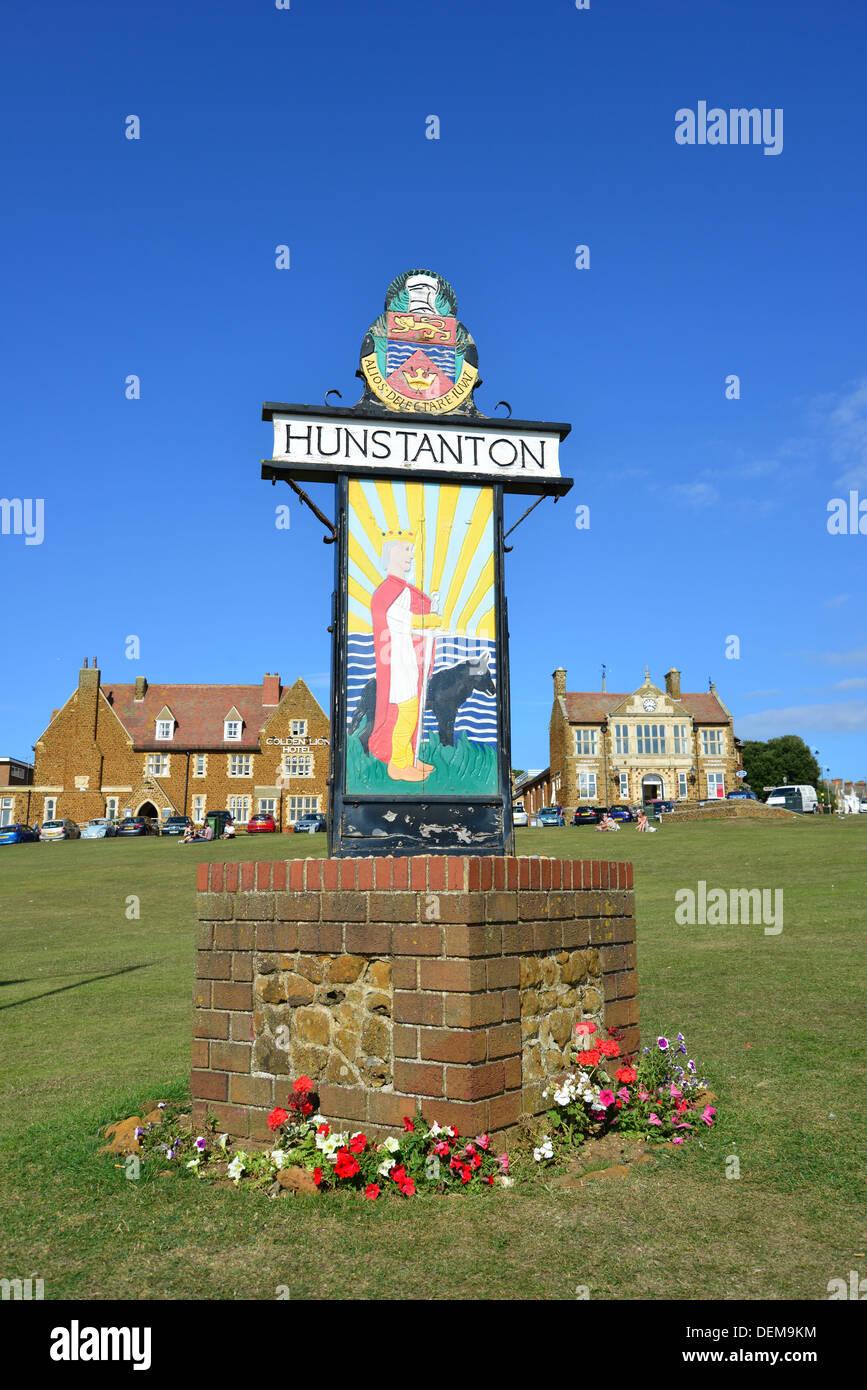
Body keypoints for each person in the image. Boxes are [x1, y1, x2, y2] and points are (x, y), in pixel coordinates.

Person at [367, 530, 442, 782]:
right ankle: (398, 764)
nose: (411, 555)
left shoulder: (402, 589)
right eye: (405, 549)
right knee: (405, 711)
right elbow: (397, 620)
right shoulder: (388, 590)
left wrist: (427, 621)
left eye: (411, 549)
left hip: (406, 656)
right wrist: (427, 619)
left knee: (412, 709)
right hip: (396, 660)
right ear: (390, 552)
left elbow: (407, 622)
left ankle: (408, 757)